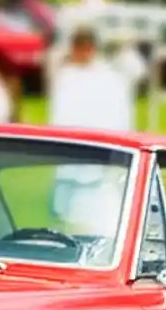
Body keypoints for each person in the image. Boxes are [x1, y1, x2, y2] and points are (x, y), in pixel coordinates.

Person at [46, 27, 135, 244]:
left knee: (101, 217)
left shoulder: (106, 76)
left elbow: (115, 113)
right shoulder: (66, 74)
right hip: (71, 157)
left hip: (100, 161)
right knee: (69, 217)